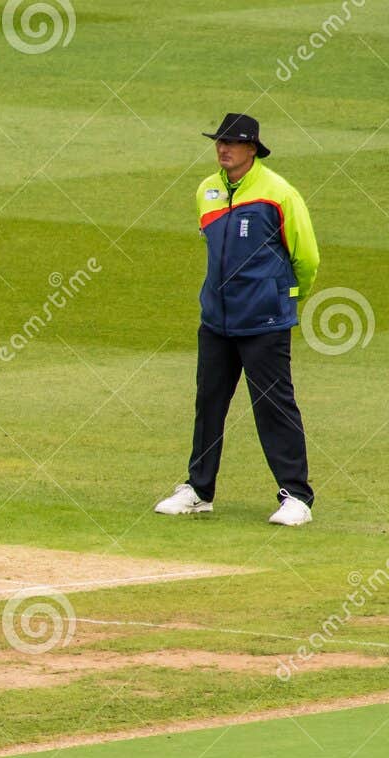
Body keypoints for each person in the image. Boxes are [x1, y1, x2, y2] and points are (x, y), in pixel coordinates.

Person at [153, 113, 320, 526]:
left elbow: (306, 257)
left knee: (274, 406)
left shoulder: (278, 193)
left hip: (265, 322)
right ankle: (199, 490)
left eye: (231, 142)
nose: (223, 149)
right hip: (216, 321)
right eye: (219, 142)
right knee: (209, 403)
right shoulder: (206, 191)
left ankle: (296, 496)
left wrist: (283, 299)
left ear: (252, 149)